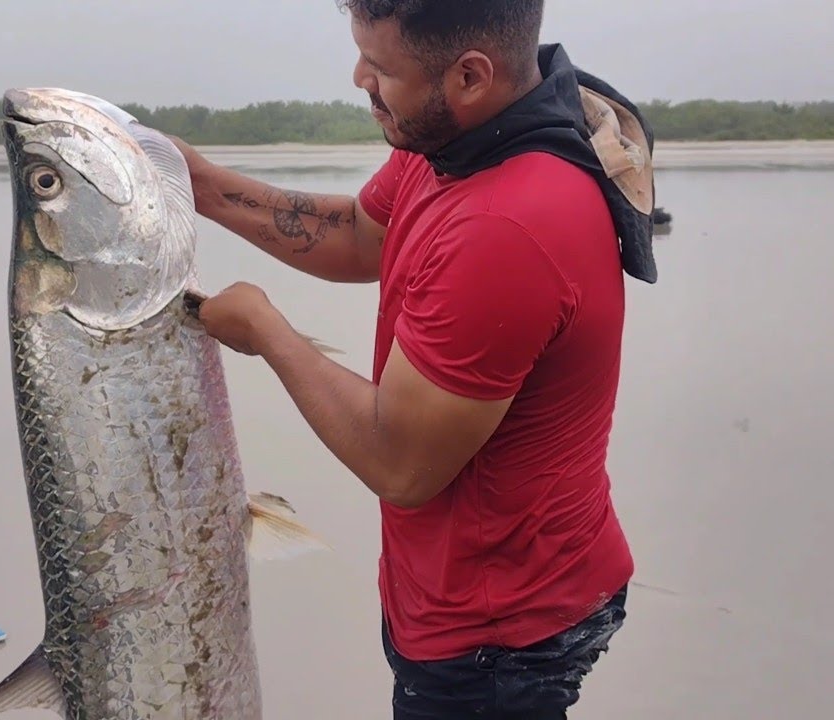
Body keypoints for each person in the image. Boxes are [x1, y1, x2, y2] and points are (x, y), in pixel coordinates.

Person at [171, 1, 664, 717]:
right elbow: (360, 238)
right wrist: (203, 186)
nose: (358, 78)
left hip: (502, 635)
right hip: (478, 588)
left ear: (469, 76)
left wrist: (267, 331)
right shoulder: (454, 140)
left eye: (381, 69)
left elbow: (399, 465)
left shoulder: (510, 226)